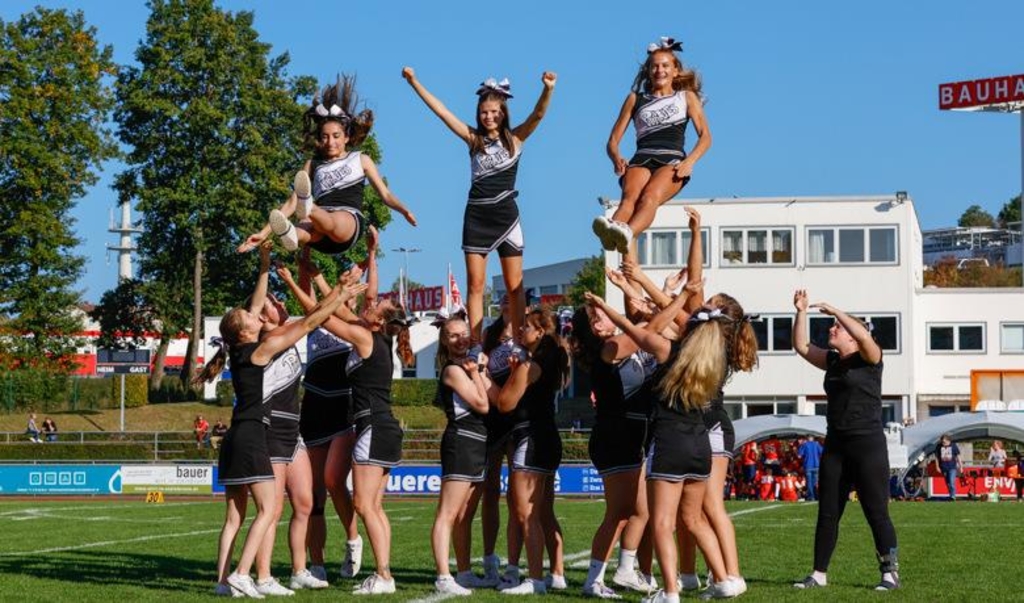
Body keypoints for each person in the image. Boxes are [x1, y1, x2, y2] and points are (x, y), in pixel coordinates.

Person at [586, 287, 756, 602]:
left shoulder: (666, 351)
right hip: (700, 446)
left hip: (669, 441)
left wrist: (606, 306)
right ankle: (725, 579)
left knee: (663, 522)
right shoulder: (715, 361)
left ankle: (670, 592)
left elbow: (634, 329)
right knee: (694, 518)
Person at [196, 266, 355, 598]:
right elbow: (312, 320)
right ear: (249, 328)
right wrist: (338, 293)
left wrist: (266, 261)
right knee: (269, 510)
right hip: (260, 432)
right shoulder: (265, 343)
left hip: (265, 431)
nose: (267, 308)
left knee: (278, 508)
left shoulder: (250, 342)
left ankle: (230, 580)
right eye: (262, 309)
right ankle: (254, 574)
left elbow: (270, 310)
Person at [402, 66, 556, 348]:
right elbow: (443, 113)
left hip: (507, 218)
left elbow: (538, 115)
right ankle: (474, 343)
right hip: (476, 217)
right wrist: (415, 82)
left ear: (504, 112)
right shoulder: (474, 141)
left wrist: (547, 89)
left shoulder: (516, 139)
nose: (489, 116)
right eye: (484, 112)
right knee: (475, 284)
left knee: (514, 285)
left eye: (495, 112)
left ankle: (520, 340)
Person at [791, 290, 900, 592]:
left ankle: (890, 573)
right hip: (837, 444)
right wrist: (801, 311)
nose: (832, 329)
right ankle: (818, 573)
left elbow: (865, 338)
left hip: (867, 445)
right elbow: (801, 346)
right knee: (828, 511)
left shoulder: (870, 358)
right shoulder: (834, 361)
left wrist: (836, 311)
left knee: (876, 511)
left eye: (838, 328)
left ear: (853, 336)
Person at [239, 76, 416, 256]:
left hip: (347, 223)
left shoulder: (360, 160)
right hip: (320, 234)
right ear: (319, 139)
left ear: (346, 137)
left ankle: (309, 207)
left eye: (336, 136)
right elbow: (293, 202)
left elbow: (385, 194)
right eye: (325, 137)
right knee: (305, 227)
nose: (330, 142)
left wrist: (403, 210)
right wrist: (263, 233)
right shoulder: (313, 164)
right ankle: (291, 235)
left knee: (328, 219)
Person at [594, 36, 710, 256]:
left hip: (672, 160)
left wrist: (690, 161)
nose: (660, 70)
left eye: (665, 65)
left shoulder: (686, 98)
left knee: (649, 197)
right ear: (648, 71)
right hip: (641, 158)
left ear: (675, 71)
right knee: (629, 199)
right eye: (655, 66)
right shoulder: (635, 99)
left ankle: (626, 233)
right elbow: (612, 140)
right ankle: (609, 234)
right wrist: (616, 157)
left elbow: (705, 136)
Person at [570, 304, 656, 599]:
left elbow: (639, 322)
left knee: (641, 512)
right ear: (596, 326)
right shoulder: (608, 348)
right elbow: (647, 331)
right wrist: (678, 299)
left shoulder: (617, 340)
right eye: (601, 314)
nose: (610, 315)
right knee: (618, 513)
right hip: (615, 436)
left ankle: (625, 570)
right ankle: (593, 581)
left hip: (631, 437)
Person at [495, 307, 570, 595]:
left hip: (531, 437)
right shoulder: (548, 361)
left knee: (526, 513)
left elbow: (504, 403)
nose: (520, 330)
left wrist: (487, 377)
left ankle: (536, 579)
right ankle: (558, 573)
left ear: (539, 332)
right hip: (547, 436)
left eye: (526, 326)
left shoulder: (530, 366)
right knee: (544, 512)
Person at [431, 317, 492, 596]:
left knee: (466, 516)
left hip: (478, 443)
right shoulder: (454, 370)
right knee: (448, 513)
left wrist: (479, 369)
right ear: (445, 340)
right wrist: (478, 372)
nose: (460, 340)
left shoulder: (467, 365)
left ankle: (464, 573)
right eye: (453, 336)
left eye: (464, 334)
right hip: (461, 443)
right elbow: (482, 404)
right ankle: (444, 576)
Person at [935, 434, 962, 501]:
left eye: (944, 442)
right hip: (943, 467)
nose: (943, 443)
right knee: (948, 483)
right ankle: (951, 495)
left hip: (952, 467)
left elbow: (958, 456)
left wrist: (961, 466)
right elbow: (936, 457)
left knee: (951, 481)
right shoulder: (939, 446)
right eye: (942, 442)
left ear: (948, 440)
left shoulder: (953, 446)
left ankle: (953, 496)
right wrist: (937, 466)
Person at [797, 435, 823, 501]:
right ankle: (816, 495)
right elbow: (822, 452)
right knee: (815, 482)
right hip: (816, 466)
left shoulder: (804, 444)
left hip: (808, 466)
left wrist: (801, 446)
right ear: (813, 438)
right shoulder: (817, 444)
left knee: (809, 482)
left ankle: (811, 497)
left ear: (807, 438)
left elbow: (799, 456)